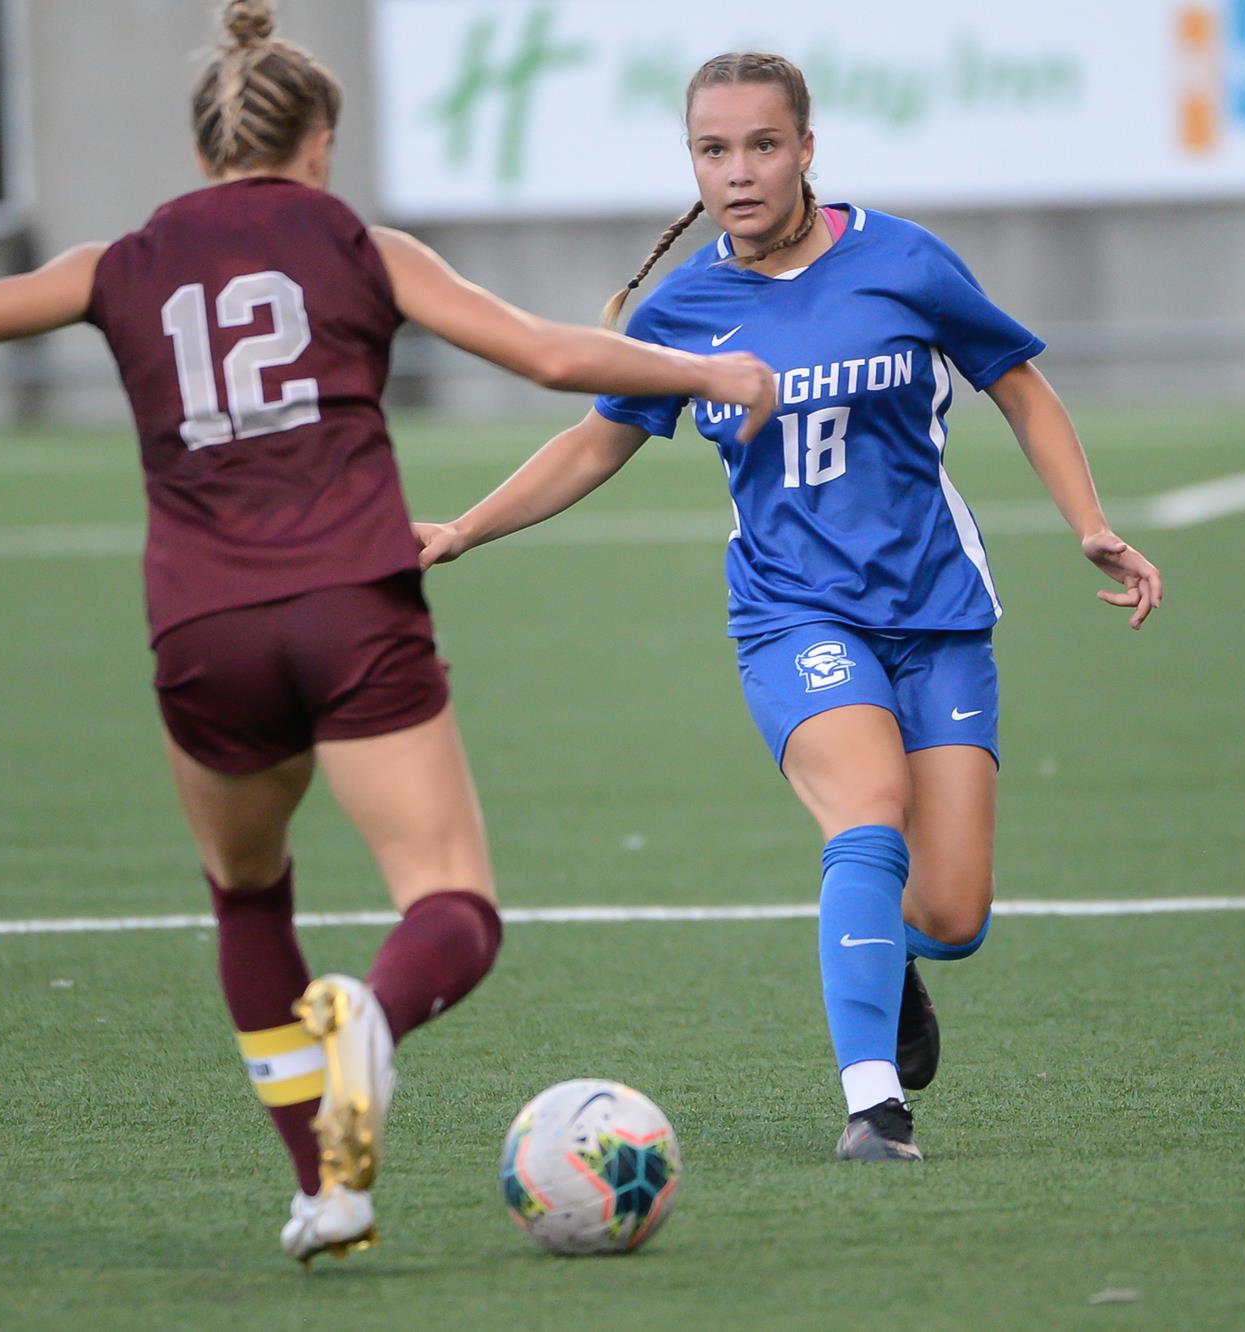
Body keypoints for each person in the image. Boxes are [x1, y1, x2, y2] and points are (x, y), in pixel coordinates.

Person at [0, 3, 776, 1261]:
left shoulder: (122, 260)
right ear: (318, 137)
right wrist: (712, 373)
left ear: (205, 142)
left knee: (247, 897)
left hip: (203, 630)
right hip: (350, 606)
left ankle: (329, 1192)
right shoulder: (357, 244)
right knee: (451, 906)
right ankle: (373, 1017)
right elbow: (545, 358)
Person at [413, 51, 1163, 1164]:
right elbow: (594, 439)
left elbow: (1017, 380)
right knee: (866, 816)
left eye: (762, 145)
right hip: (791, 615)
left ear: (806, 149)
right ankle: (873, 1106)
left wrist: (1086, 519)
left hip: (936, 613)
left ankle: (885, 953)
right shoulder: (685, 310)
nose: (739, 171)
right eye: (712, 151)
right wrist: (463, 529)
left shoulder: (902, 261)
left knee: (950, 914)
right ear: (692, 166)